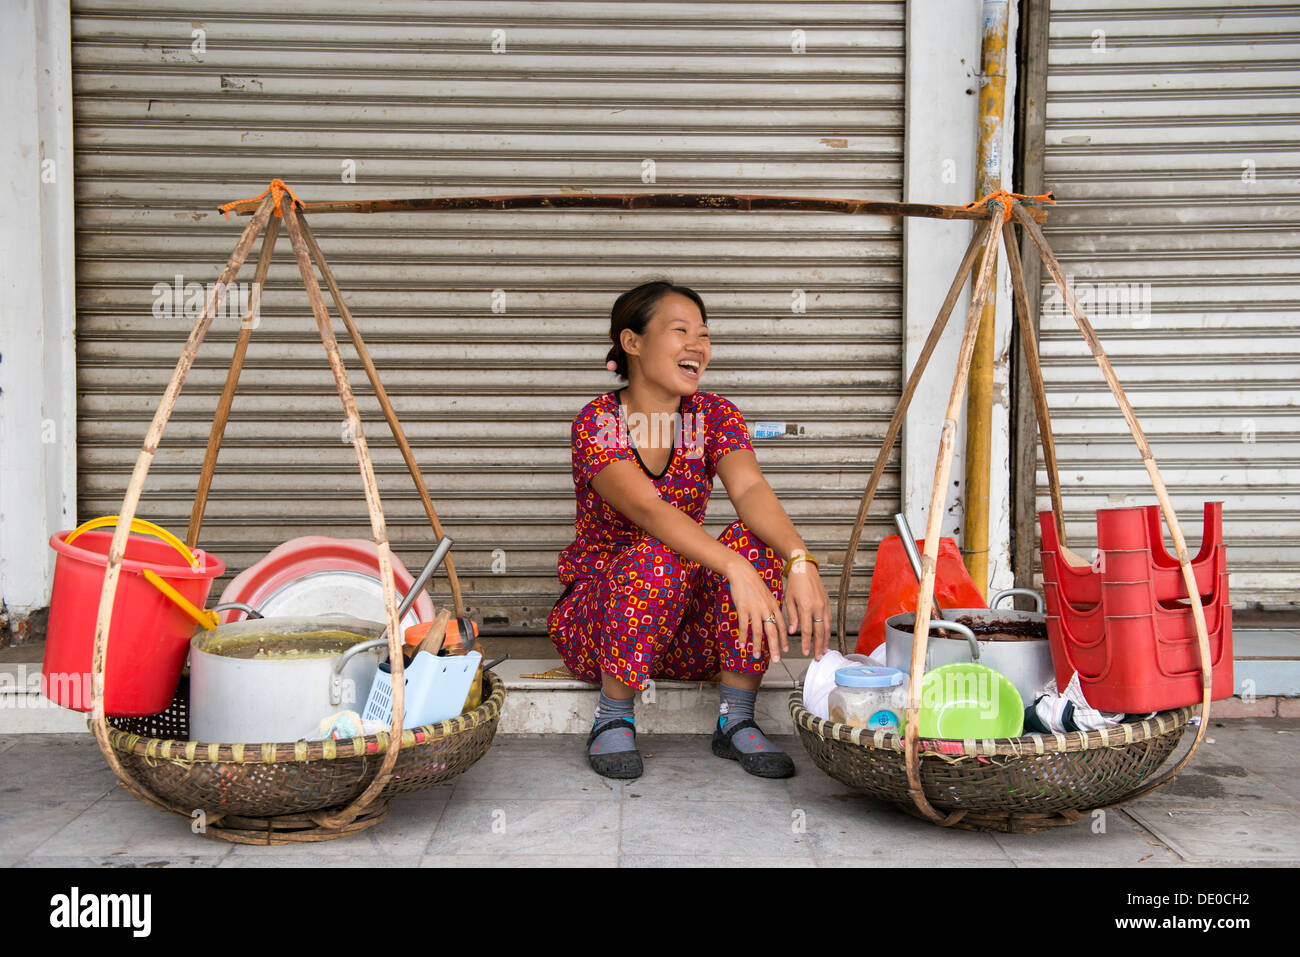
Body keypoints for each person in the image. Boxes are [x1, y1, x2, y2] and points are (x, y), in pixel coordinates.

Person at [547, 279, 832, 780]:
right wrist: (733, 567)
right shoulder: (598, 423)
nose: (697, 345)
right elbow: (653, 513)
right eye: (680, 331)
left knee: (753, 541)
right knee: (662, 552)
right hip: (600, 624)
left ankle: (736, 720)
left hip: (685, 634)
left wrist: (798, 558)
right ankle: (612, 717)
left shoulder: (714, 414)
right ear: (632, 342)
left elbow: (749, 491)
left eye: (703, 334)